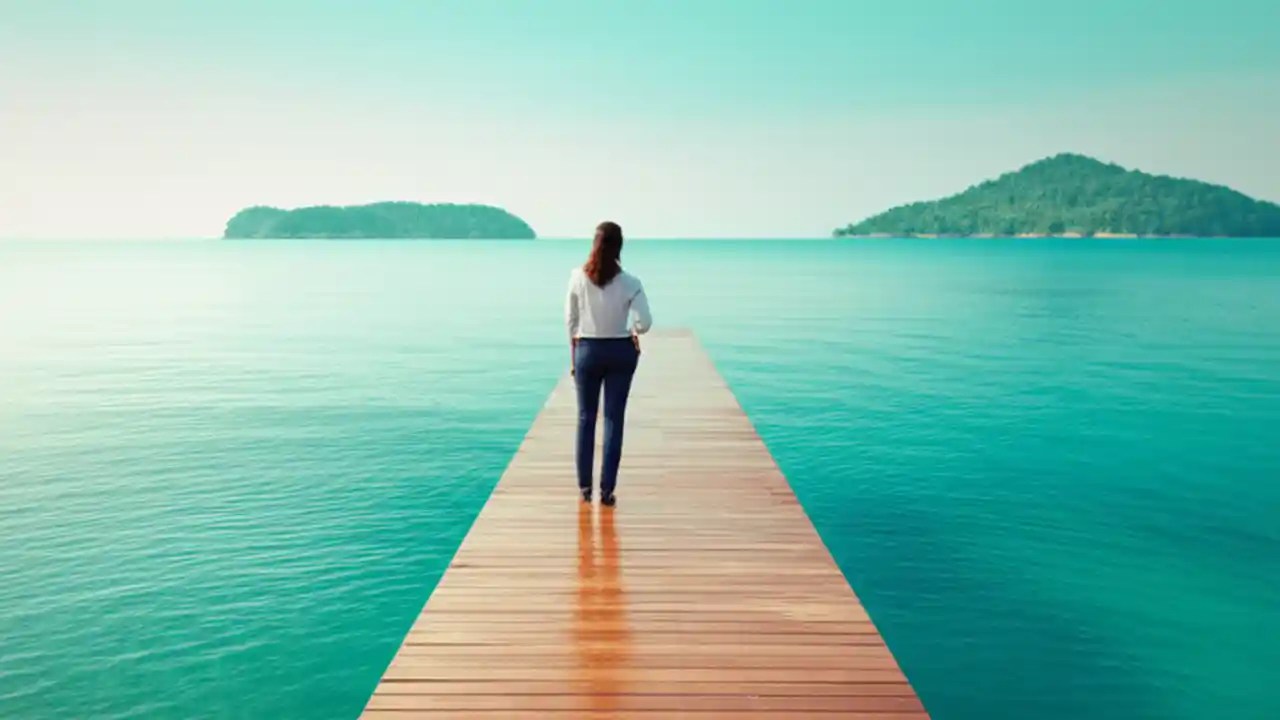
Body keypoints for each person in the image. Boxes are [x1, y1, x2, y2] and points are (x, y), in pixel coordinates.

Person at [565, 221, 652, 506]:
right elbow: (645, 323)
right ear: (619, 247)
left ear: (595, 243)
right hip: (619, 352)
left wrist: (574, 357)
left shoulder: (577, 277)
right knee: (614, 419)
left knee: (585, 418)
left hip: (587, 350)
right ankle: (607, 491)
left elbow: (571, 322)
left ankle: (584, 489)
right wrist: (633, 331)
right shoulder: (631, 283)